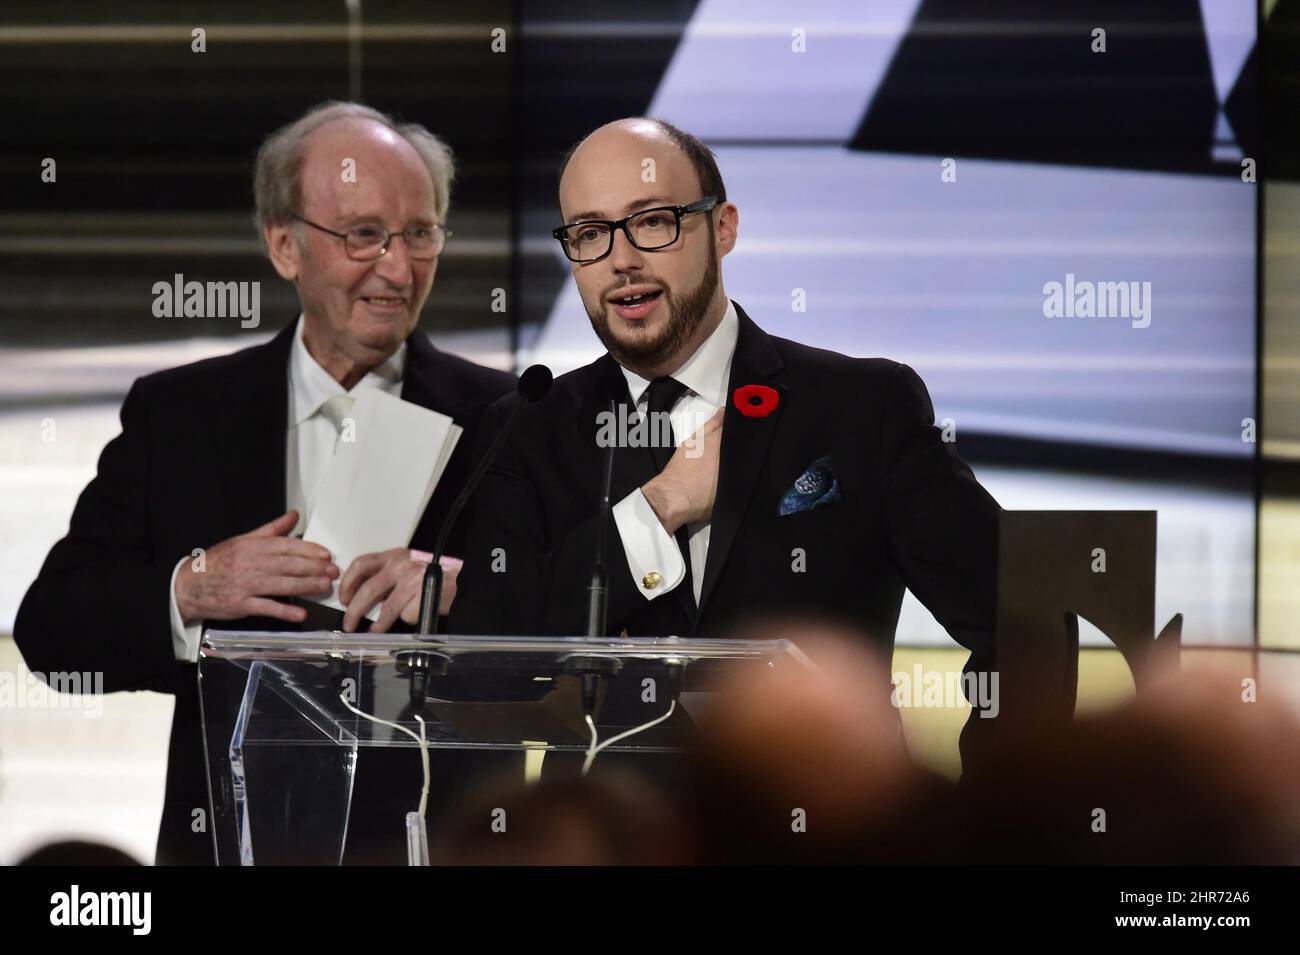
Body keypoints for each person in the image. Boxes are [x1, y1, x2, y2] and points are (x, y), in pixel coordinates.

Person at [14, 101, 516, 864]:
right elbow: (54, 627)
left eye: (420, 233)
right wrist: (190, 588)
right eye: (363, 235)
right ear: (285, 245)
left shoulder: (508, 417)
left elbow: (585, 640)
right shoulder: (180, 414)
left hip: (437, 841)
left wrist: (467, 593)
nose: (398, 267)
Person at [450, 117, 1002, 775]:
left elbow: (1018, 615)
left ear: (723, 227)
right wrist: (657, 508)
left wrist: (993, 807)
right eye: (591, 233)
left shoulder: (861, 407)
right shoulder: (529, 427)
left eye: (652, 221)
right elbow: (488, 672)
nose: (622, 259)